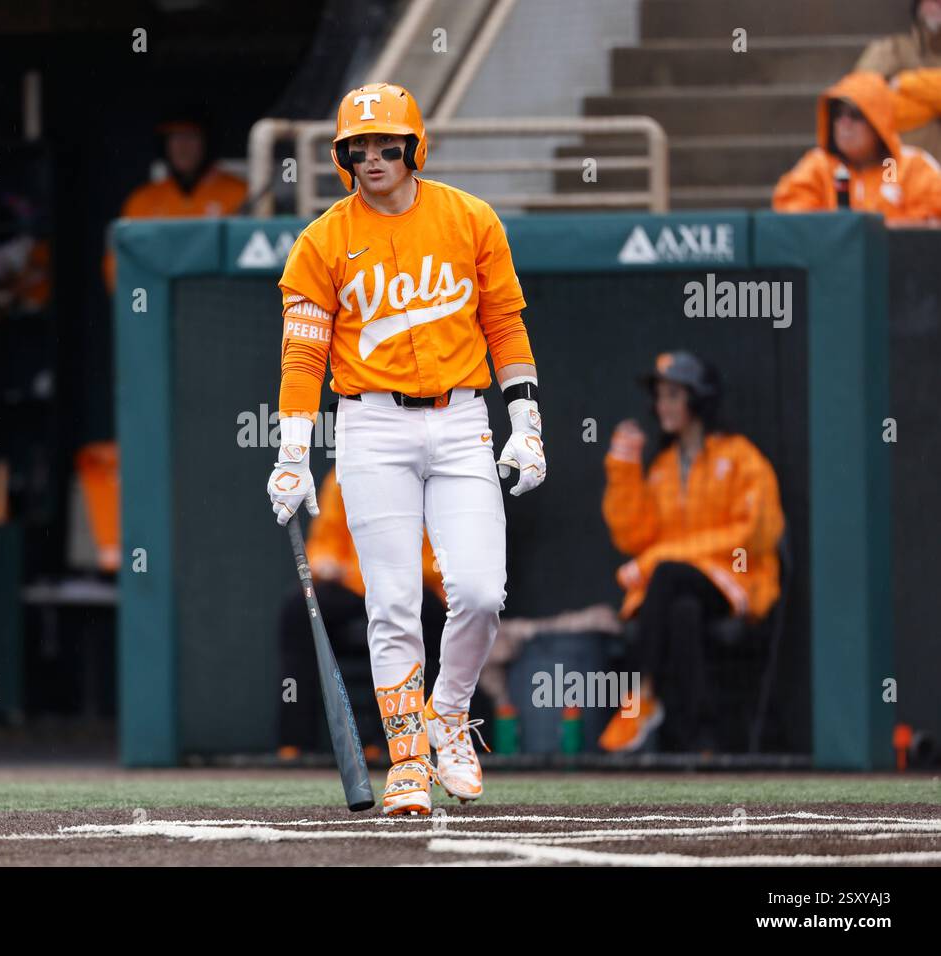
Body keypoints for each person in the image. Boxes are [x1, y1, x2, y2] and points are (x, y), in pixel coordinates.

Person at [267, 83, 544, 816]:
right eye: (359, 147)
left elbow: (506, 325)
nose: (373, 157)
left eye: (388, 144)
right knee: (391, 603)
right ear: (343, 156)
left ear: (413, 148)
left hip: (461, 419)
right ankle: (407, 760)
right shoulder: (322, 239)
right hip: (371, 425)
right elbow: (303, 359)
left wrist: (528, 422)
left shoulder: (469, 218)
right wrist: (293, 452)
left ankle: (448, 714)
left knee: (481, 592)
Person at [599, 352, 784, 753]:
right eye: (659, 397)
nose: (662, 406)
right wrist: (624, 468)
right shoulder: (663, 467)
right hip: (683, 589)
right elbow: (633, 537)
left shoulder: (740, 457)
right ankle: (699, 739)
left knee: (667, 571)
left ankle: (642, 693)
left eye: (672, 396)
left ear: (698, 401)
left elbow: (757, 531)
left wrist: (667, 556)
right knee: (683, 610)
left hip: (737, 582)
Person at [278, 468, 449, 757]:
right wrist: (325, 563)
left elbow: (438, 559)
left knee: (420, 615)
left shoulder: (430, 471)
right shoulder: (344, 474)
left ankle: (390, 741)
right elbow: (324, 543)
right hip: (354, 584)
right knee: (298, 608)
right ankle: (295, 742)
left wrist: (395, 572)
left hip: (412, 585)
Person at [101, 111, 247, 291]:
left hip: (218, 302)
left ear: (207, 142)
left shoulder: (240, 193)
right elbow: (118, 270)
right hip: (159, 303)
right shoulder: (141, 201)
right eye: (175, 138)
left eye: (191, 137)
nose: (182, 146)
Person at [772, 71, 941, 225]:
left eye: (856, 115)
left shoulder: (913, 166)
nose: (845, 123)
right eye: (838, 114)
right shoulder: (817, 166)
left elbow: (932, 227)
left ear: (879, 123)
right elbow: (791, 217)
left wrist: (871, 233)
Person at [856, 0, 941, 160]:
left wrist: (906, 85)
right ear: (918, 6)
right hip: (900, 172)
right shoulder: (892, 49)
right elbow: (861, 97)